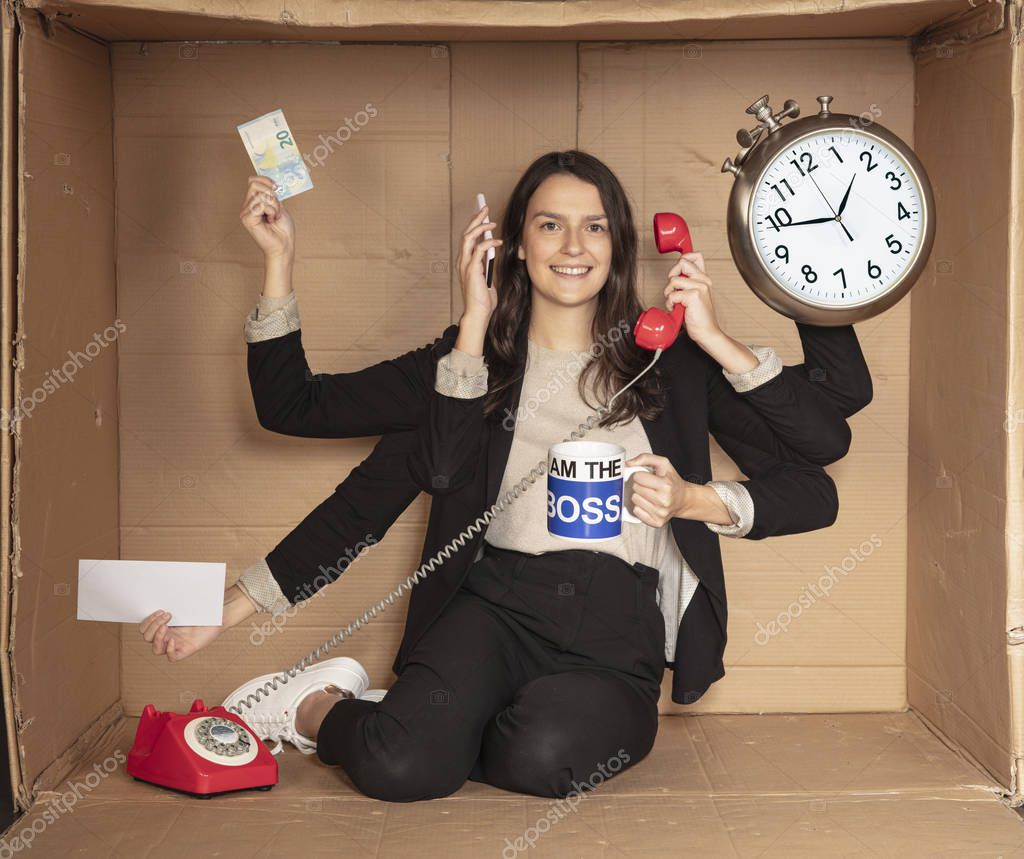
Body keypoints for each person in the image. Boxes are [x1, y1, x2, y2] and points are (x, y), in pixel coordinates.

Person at [140, 150, 872, 802]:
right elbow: (302, 420)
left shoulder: (667, 362)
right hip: (491, 609)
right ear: (516, 244)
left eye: (594, 227)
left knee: (543, 757)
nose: (573, 246)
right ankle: (317, 707)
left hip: (617, 626)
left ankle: (432, 722)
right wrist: (280, 261)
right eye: (551, 225)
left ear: (618, 246)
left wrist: (694, 484)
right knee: (403, 767)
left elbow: (820, 456)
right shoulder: (466, 366)